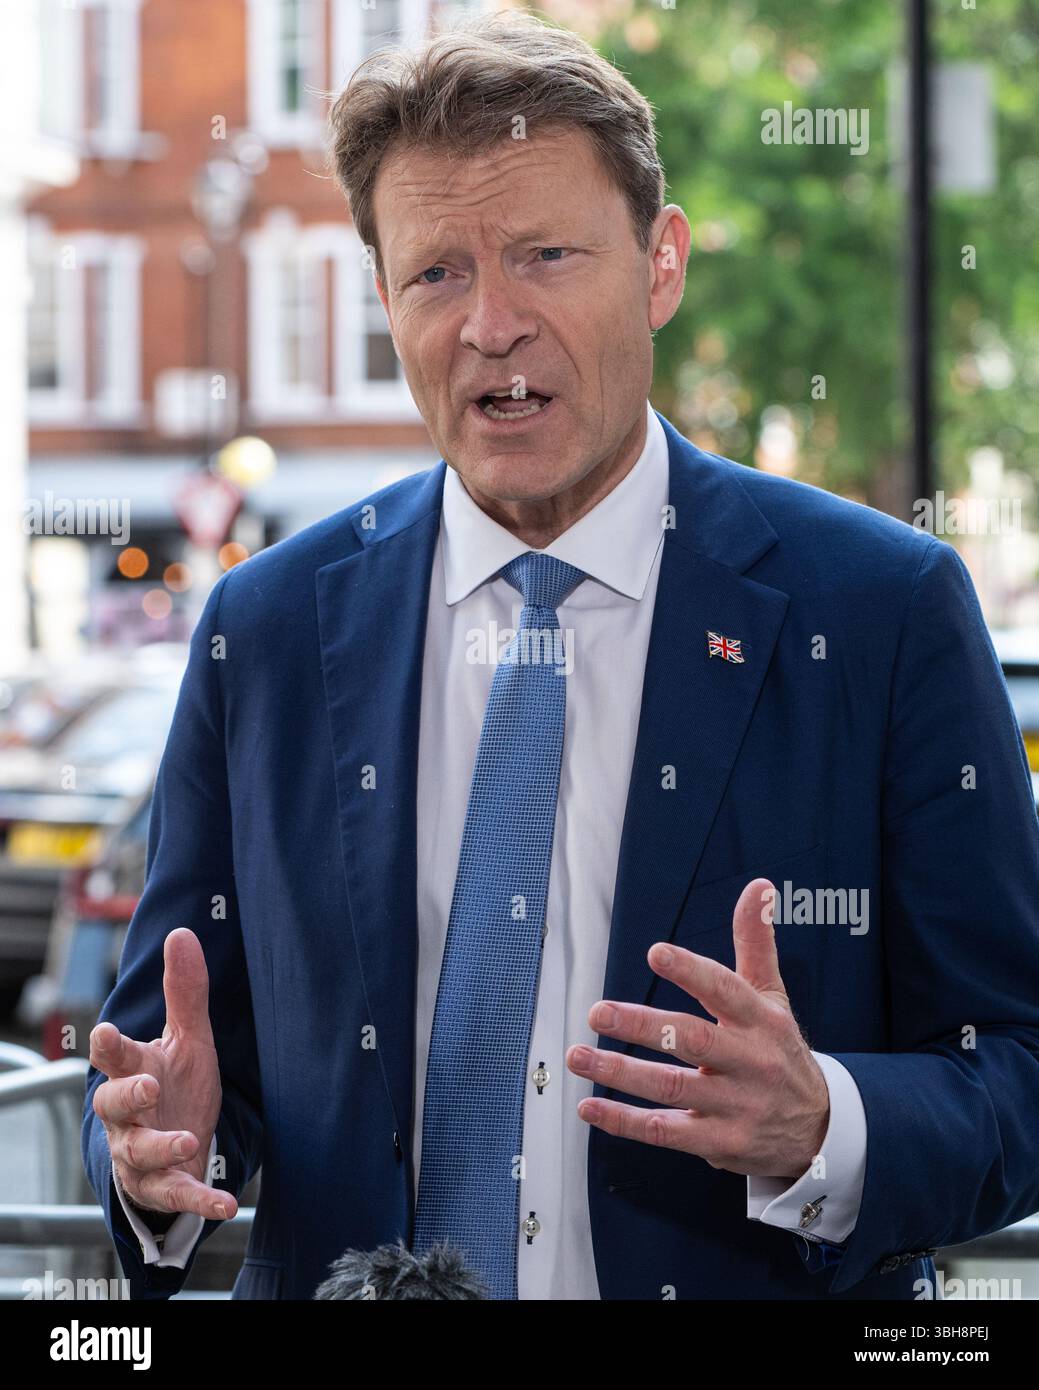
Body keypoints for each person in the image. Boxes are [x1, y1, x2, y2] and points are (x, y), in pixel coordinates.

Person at [82, 11, 1039, 1301]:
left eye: (544, 255)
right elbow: (183, 1078)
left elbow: (1018, 1069)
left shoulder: (884, 607)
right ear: (384, 302)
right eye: (437, 274)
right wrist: (154, 1153)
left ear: (660, 265)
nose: (492, 324)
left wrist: (828, 1124)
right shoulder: (264, 631)